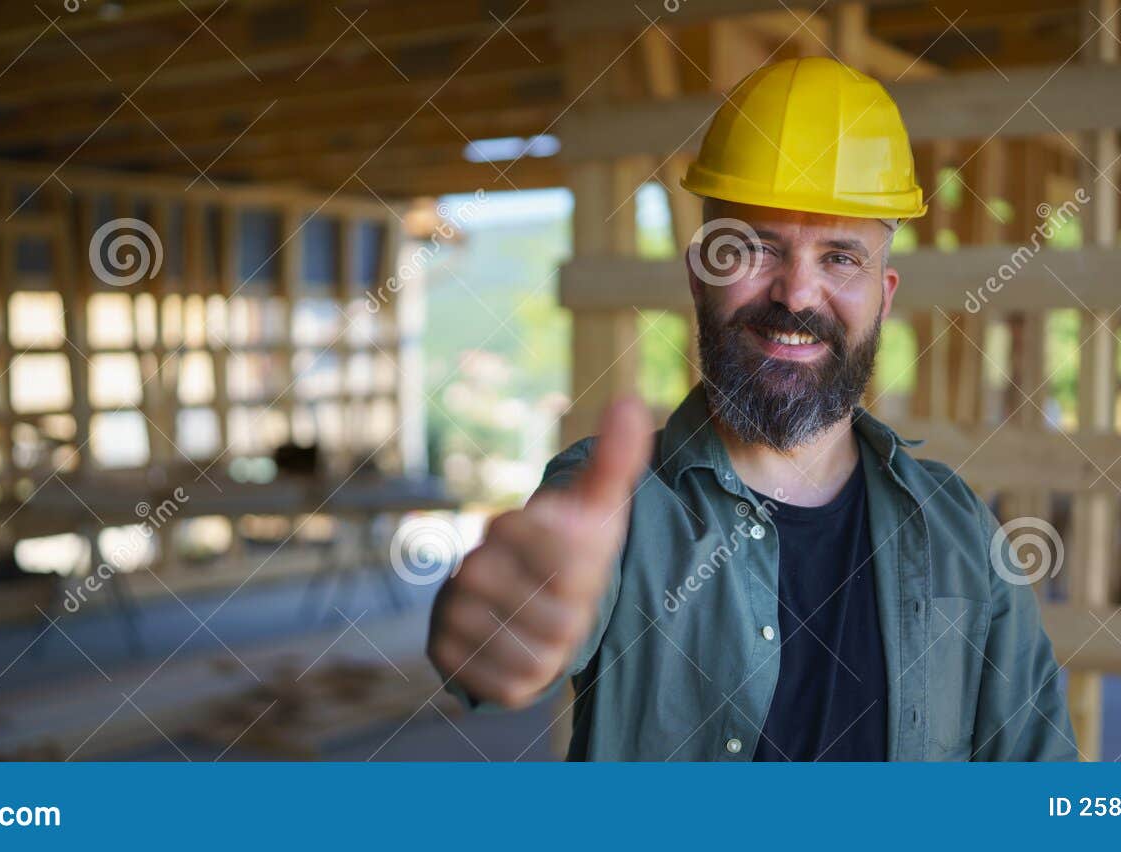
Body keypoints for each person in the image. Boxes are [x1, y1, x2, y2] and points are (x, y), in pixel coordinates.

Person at [427, 57, 1076, 761]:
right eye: (758, 248)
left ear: (883, 296)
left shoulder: (958, 530)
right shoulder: (611, 501)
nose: (796, 295)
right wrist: (494, 631)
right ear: (699, 275)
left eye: (839, 258)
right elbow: (504, 637)